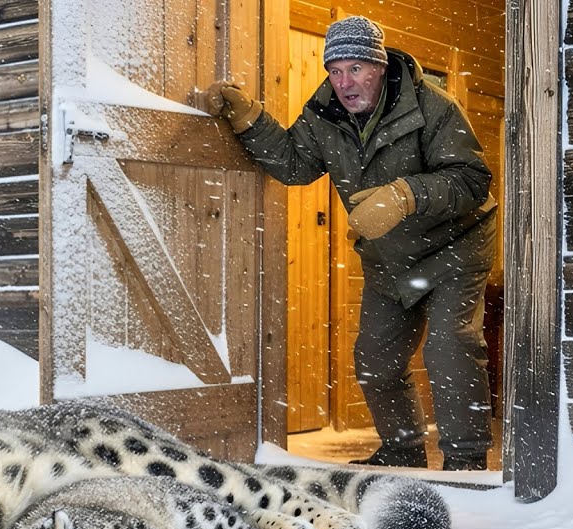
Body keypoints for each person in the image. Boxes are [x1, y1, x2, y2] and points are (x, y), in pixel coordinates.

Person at [207, 16, 497, 471]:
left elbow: (473, 180)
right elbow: (295, 164)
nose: (345, 82)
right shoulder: (325, 113)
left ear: (380, 67)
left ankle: (466, 462)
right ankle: (402, 452)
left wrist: (405, 195)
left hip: (455, 246)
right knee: (375, 359)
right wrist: (250, 120)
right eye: (335, 70)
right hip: (389, 256)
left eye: (357, 68)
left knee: (449, 347)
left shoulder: (431, 106)